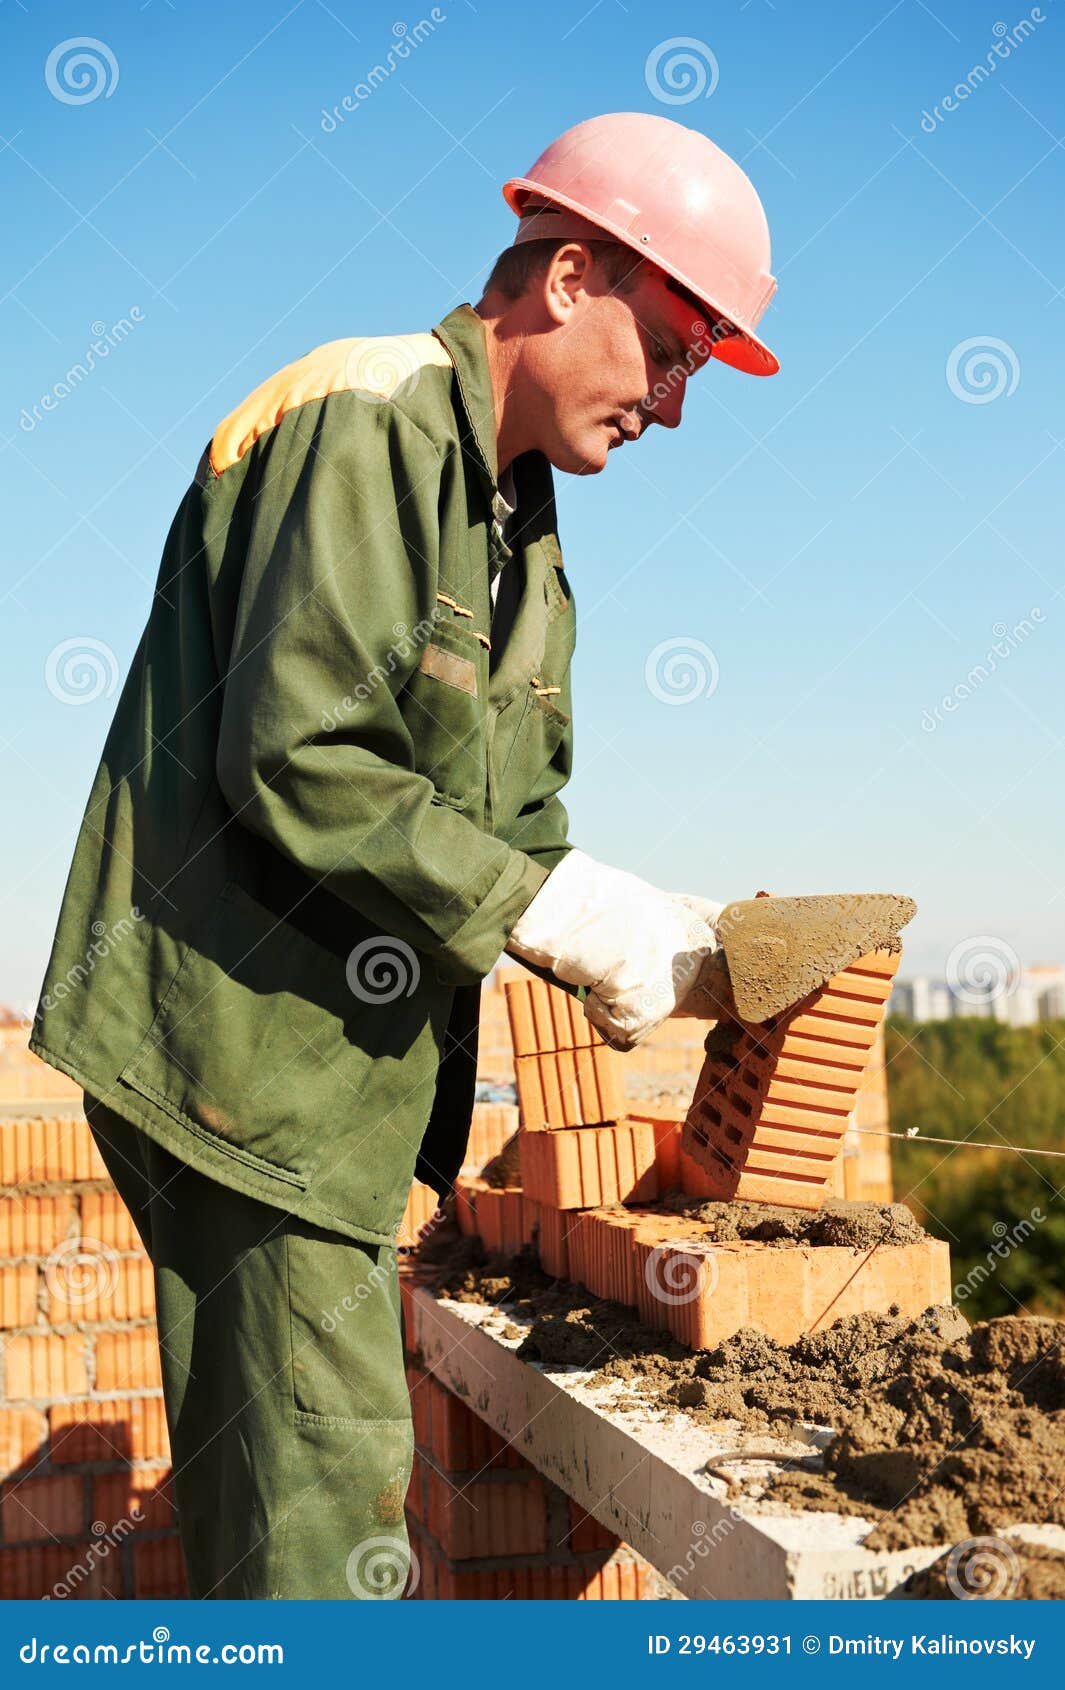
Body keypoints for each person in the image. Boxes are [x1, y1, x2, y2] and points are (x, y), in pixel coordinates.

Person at [28, 111, 779, 1599]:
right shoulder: (367, 414)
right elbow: (298, 751)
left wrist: (651, 928)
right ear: (570, 274)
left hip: (329, 1098)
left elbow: (508, 832)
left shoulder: (527, 541)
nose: (678, 406)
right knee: (324, 1544)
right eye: (678, 349)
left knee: (304, 1512)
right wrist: (549, 901)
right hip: (239, 1067)